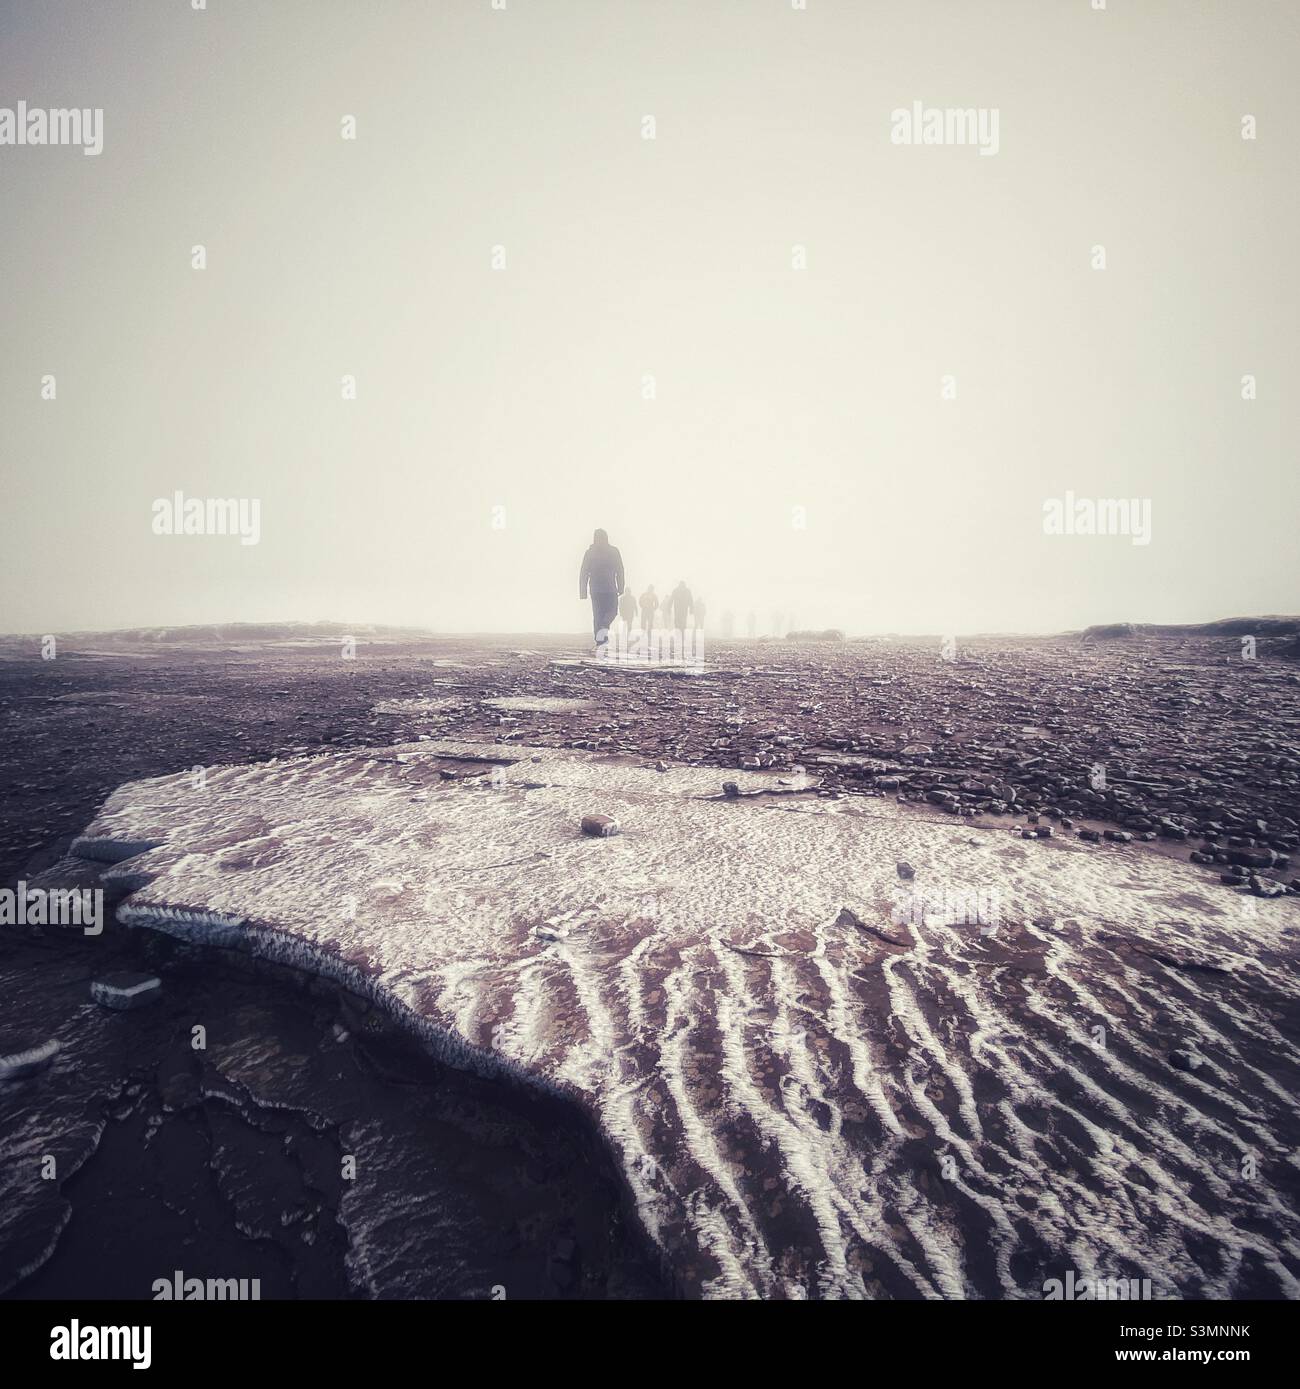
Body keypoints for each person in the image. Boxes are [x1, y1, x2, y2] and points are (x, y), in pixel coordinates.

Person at [578, 528, 625, 651]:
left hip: (596, 589)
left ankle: (600, 639)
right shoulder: (613, 551)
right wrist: (621, 586)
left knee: (598, 615)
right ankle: (602, 634)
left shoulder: (590, 552)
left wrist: (583, 591)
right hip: (609, 588)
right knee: (611, 612)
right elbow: (620, 569)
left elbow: (583, 572)